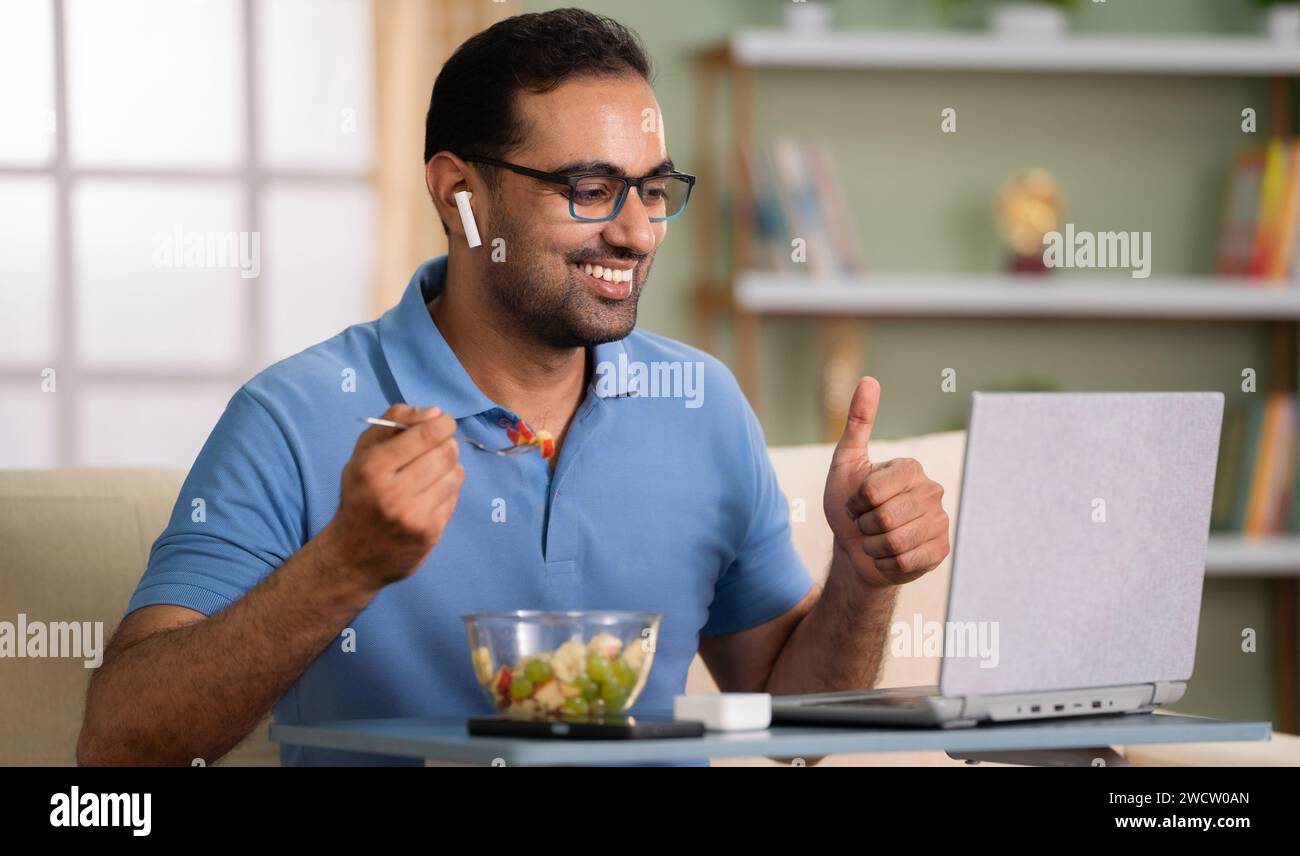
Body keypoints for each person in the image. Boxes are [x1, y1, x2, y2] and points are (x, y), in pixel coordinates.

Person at [78, 8, 949, 766]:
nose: (639, 233)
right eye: (590, 189)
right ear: (461, 197)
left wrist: (864, 581)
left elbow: (793, 715)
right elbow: (120, 742)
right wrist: (341, 569)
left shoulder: (703, 402)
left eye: (652, 190)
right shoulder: (295, 415)